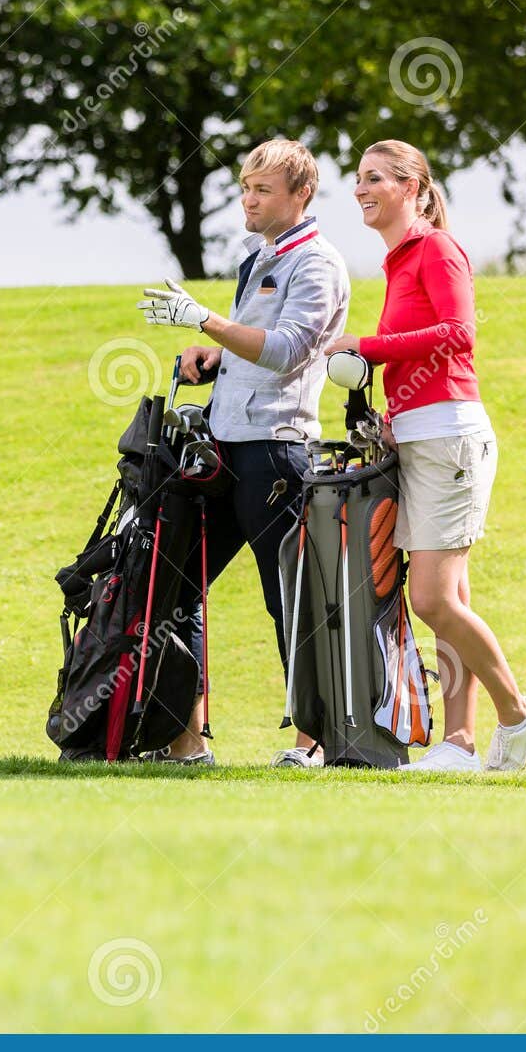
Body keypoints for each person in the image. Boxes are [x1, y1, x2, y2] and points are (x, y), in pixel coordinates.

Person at [323, 139, 526, 772]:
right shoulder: (398, 260)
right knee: (452, 600)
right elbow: (417, 352)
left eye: (375, 179)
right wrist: (394, 417)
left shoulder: (437, 250)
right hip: (424, 437)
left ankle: (517, 713)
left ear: (413, 189)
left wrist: (368, 346)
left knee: (431, 601)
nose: (361, 189)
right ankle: (459, 743)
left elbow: (458, 334)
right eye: (358, 180)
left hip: (451, 439)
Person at [137, 138, 349, 767]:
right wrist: (218, 356)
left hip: (278, 451)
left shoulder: (317, 262)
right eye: (244, 189)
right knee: (179, 584)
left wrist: (205, 322)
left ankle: (313, 744)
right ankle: (187, 741)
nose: (247, 201)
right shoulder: (261, 256)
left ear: (299, 194)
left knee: (286, 595)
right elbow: (256, 345)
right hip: (225, 449)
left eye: (261, 191)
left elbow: (288, 350)